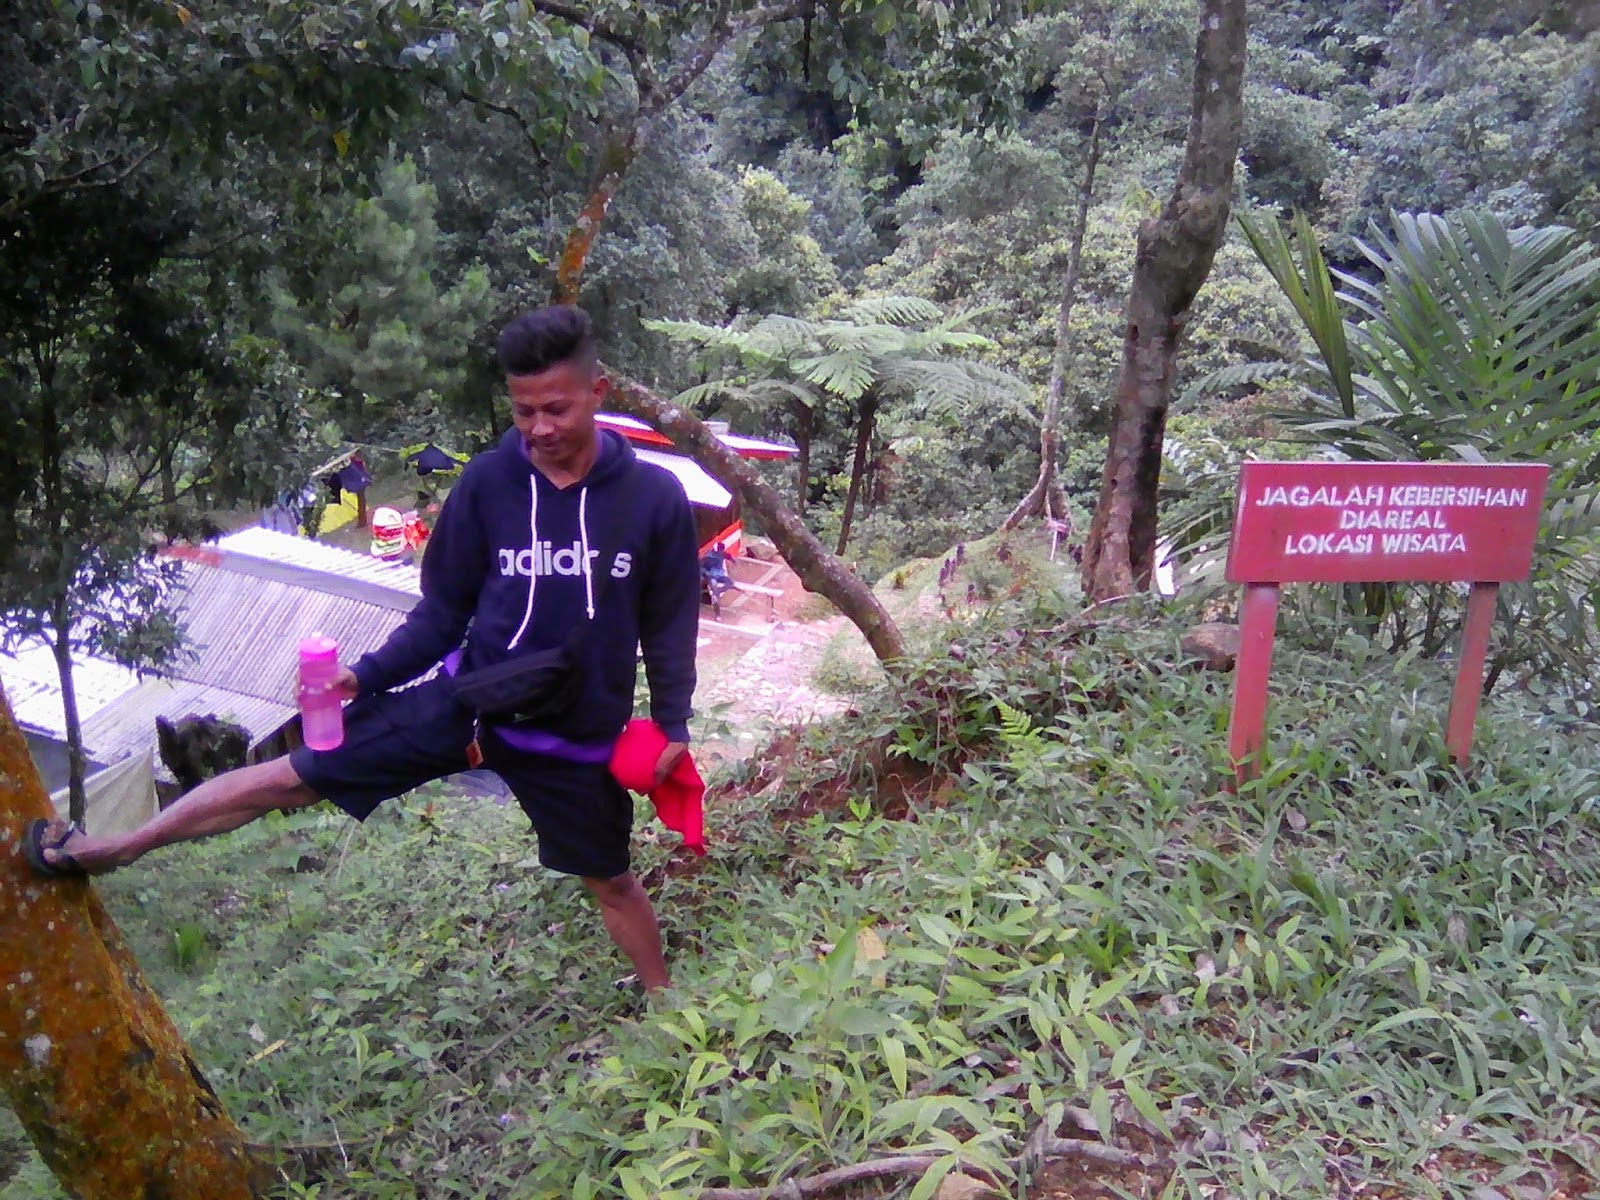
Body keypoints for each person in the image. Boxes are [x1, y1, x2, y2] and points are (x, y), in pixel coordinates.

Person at [25, 305, 701, 993]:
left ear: (599, 392)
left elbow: (670, 620)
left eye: (555, 408)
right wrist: (367, 676)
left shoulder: (652, 498)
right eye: (523, 411)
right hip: (471, 708)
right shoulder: (489, 484)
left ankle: (666, 1005)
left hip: (571, 737)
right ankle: (117, 847)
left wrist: (673, 721)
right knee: (290, 775)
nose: (539, 429)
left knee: (612, 879)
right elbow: (442, 612)